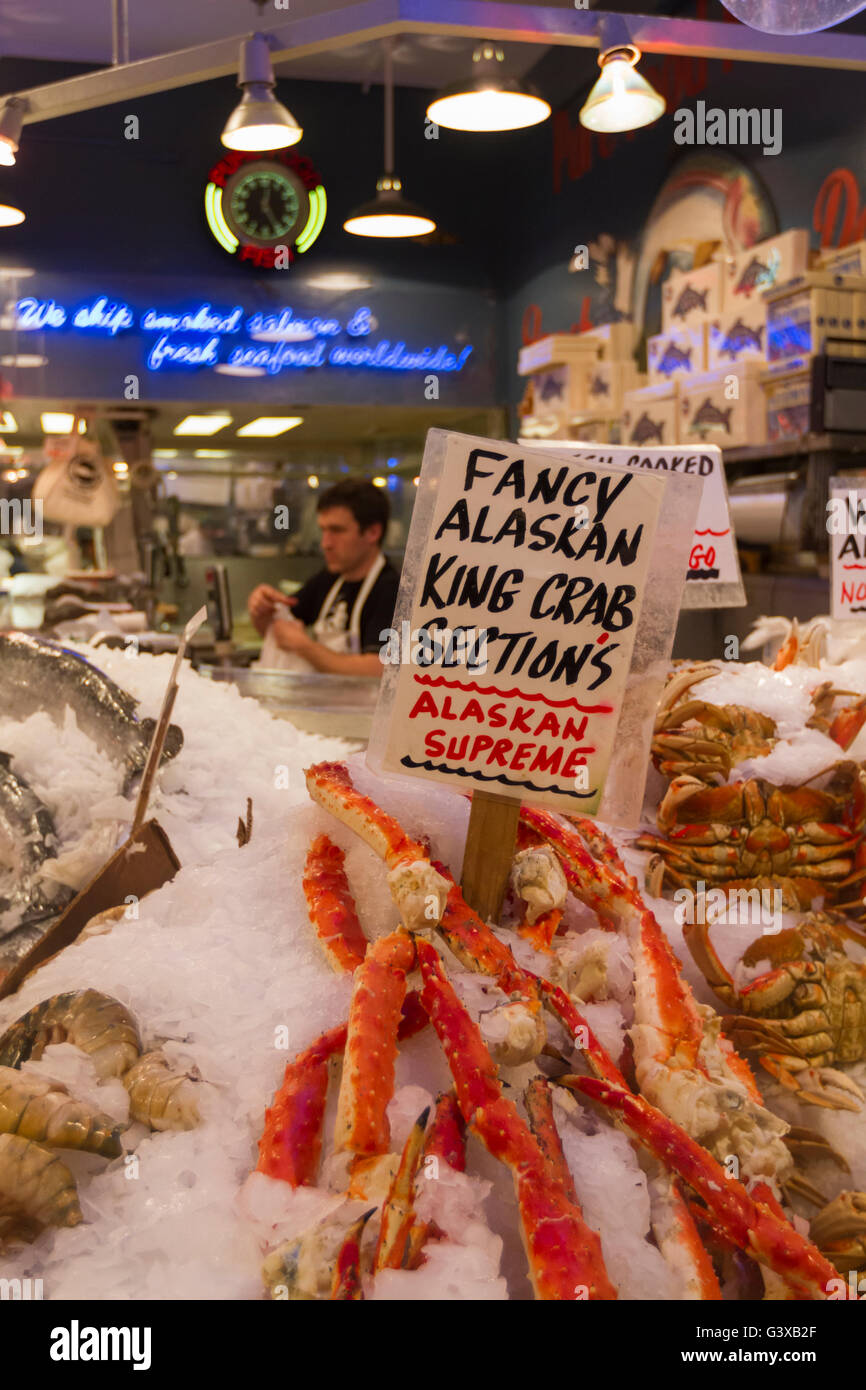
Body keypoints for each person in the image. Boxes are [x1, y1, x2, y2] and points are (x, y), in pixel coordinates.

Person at [247, 479, 400, 676]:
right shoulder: (329, 580)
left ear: (372, 532)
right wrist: (261, 608)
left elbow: (378, 669)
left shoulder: (392, 589)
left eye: (337, 531)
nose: (325, 543)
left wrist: (304, 647)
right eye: (323, 530)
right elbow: (278, 632)